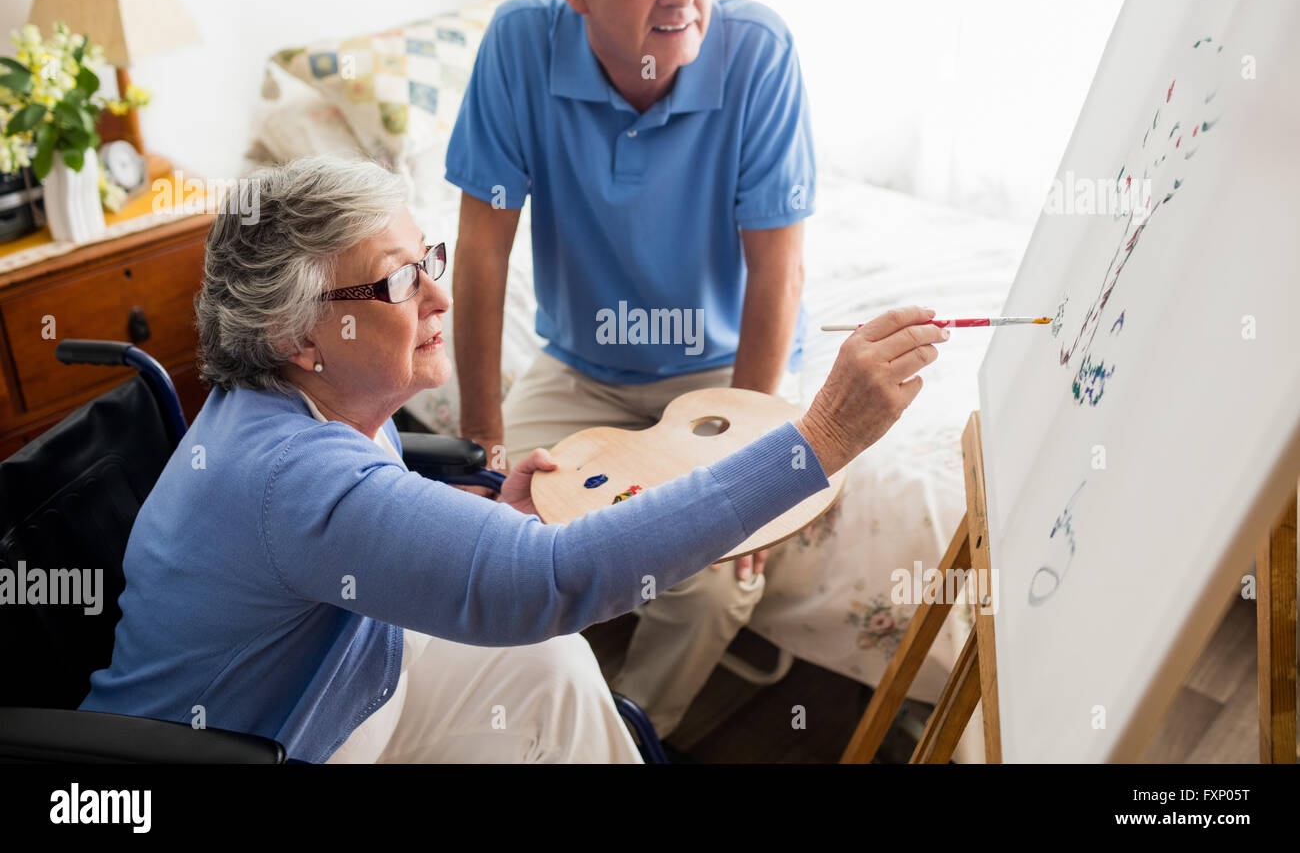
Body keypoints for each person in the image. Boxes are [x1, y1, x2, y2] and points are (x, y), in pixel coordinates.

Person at [79, 156, 946, 763]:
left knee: (553, 668)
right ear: (298, 334)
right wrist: (822, 438)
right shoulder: (291, 477)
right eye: (397, 283)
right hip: (268, 743)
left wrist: (482, 510)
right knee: (549, 628)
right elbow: (553, 578)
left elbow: (356, 534)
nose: (440, 298)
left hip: (340, 676)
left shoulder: (320, 398)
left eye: (430, 262)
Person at [447, 0, 819, 738]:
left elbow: (778, 273)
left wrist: (745, 460)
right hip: (580, 367)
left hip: (724, 368)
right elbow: (479, 256)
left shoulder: (758, 53)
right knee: (490, 539)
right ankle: (522, 728)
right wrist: (482, 450)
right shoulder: (518, 44)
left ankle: (626, 740)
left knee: (717, 582)